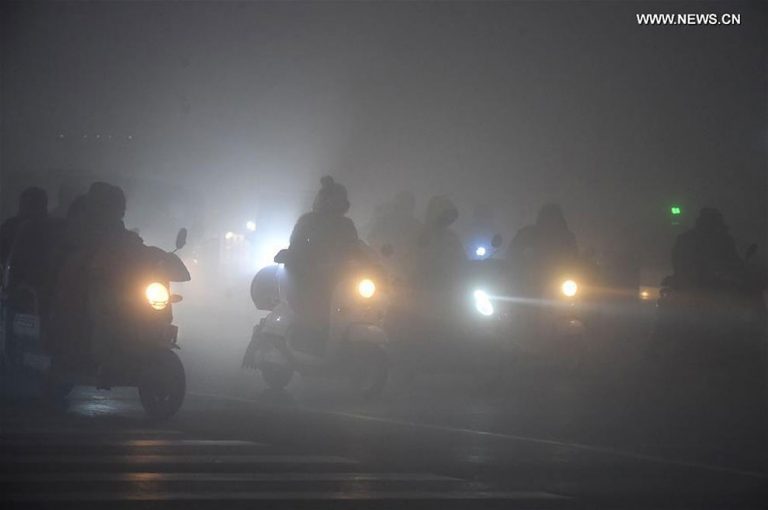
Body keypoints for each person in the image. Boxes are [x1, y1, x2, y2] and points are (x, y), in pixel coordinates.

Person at [284, 176, 360, 353]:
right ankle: (310, 341)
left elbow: (355, 247)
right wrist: (311, 261)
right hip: (310, 275)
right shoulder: (308, 221)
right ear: (325, 199)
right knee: (317, 306)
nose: (336, 203)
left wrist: (373, 265)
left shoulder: (346, 224)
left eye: (340, 199)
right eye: (333, 199)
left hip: (339, 275)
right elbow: (296, 245)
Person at [671, 207, 745, 291]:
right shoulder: (723, 240)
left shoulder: (724, 240)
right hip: (696, 287)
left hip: (712, 286)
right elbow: (678, 262)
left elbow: (734, 261)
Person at [366, 191, 422, 278]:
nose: (403, 208)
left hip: (408, 273)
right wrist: (382, 250)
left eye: (406, 205)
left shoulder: (417, 226)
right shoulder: (384, 221)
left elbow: (422, 247)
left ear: (411, 207)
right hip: (383, 268)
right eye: (401, 204)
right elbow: (371, 238)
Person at [0, 187, 49, 281]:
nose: (30, 211)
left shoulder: (54, 231)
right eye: (26, 205)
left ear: (44, 208)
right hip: (11, 285)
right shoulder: (8, 228)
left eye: (35, 206)